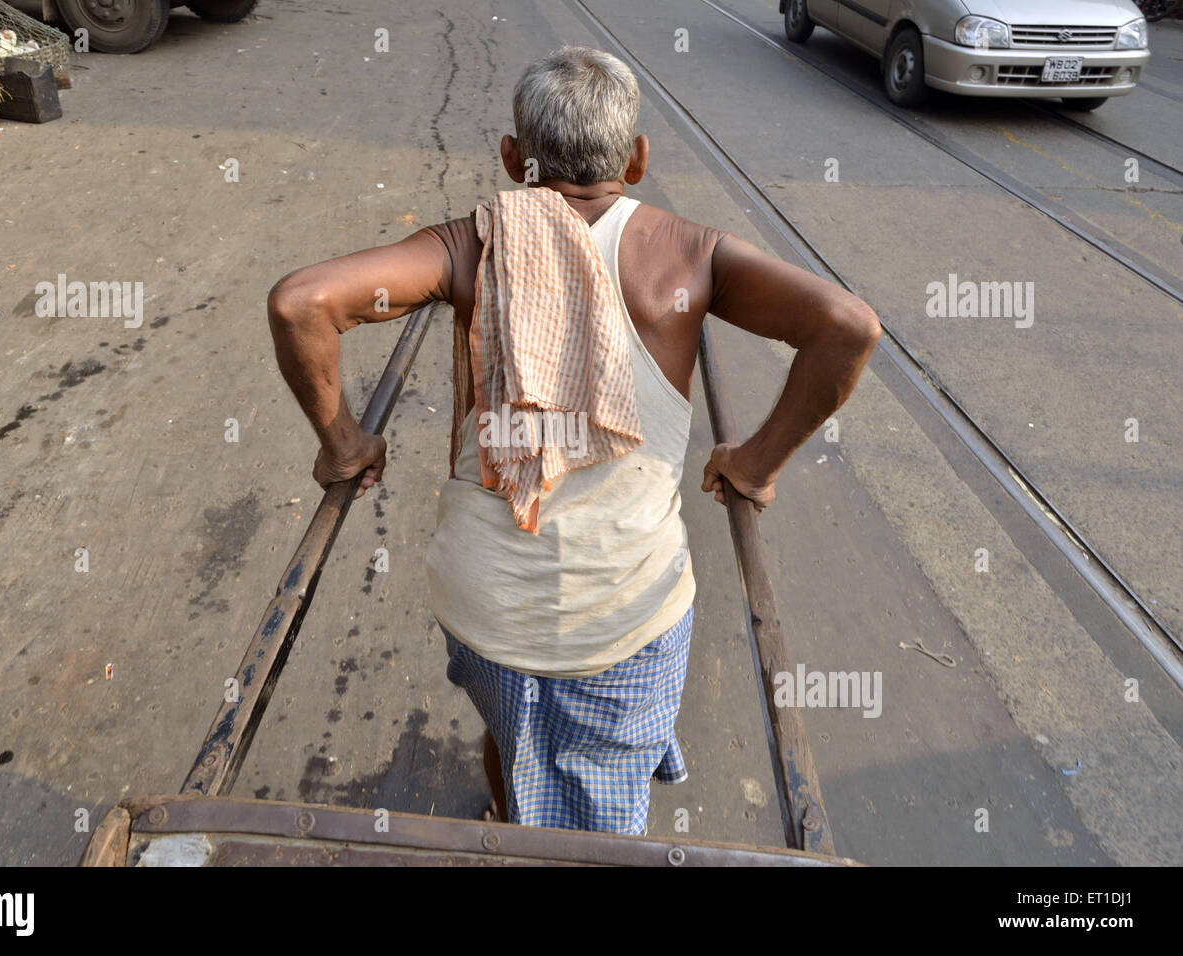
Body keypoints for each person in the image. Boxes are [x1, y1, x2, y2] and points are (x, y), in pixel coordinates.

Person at [267, 46, 880, 835]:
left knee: (509, 725)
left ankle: (508, 809)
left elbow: (300, 304)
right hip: (625, 623)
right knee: (601, 813)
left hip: (484, 611)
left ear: (514, 158)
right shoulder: (694, 256)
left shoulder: (472, 243)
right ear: (637, 158)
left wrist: (345, 444)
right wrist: (754, 462)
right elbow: (848, 327)